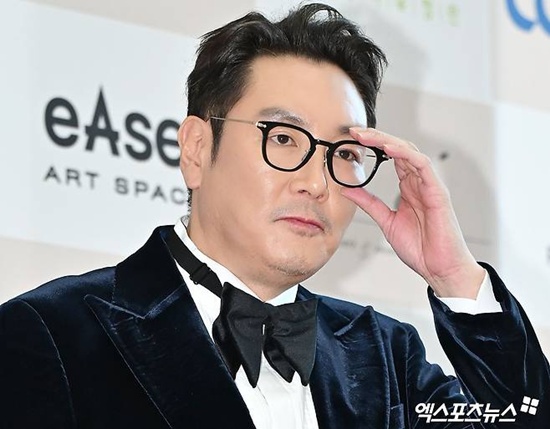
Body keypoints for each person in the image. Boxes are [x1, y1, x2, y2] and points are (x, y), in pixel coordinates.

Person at [1, 3, 548, 429]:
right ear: (196, 149)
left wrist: (455, 277)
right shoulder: (49, 335)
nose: (317, 182)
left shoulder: (386, 356)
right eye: (283, 138)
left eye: (344, 153)